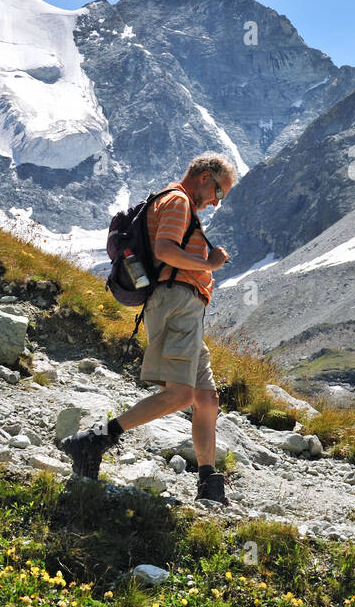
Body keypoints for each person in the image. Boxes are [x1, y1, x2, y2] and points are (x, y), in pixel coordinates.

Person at [59, 152, 237, 504]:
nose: (216, 201)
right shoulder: (177, 201)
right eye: (218, 191)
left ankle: (208, 484)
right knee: (182, 394)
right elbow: (166, 250)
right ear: (203, 176)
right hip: (177, 303)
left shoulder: (178, 203)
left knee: (206, 399)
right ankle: (92, 441)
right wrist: (208, 263)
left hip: (185, 306)